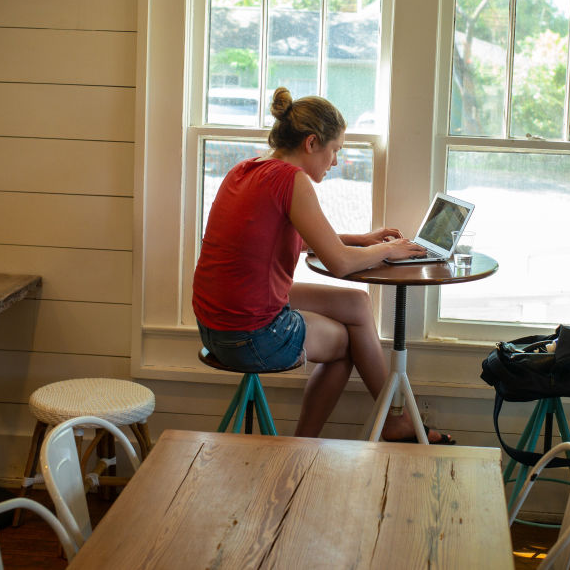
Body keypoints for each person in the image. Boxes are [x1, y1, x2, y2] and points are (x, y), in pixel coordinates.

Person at [193, 87, 454, 443]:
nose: (335, 162)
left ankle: (394, 421)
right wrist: (388, 250)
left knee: (356, 303)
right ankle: (304, 444)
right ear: (312, 143)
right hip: (248, 336)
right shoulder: (291, 180)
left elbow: (290, 240)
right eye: (335, 151)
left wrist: (361, 239)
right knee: (347, 342)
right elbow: (341, 265)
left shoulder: (247, 169)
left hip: (215, 325)